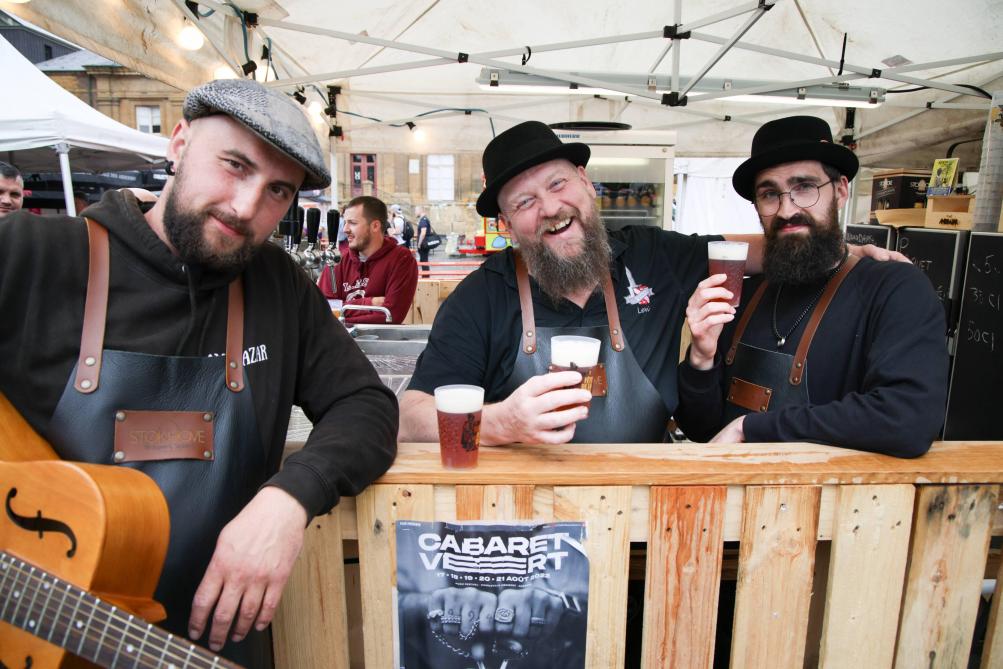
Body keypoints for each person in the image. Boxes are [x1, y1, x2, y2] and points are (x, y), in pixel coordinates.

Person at [0, 78, 398, 667]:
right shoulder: (31, 255)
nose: (246, 207)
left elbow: (366, 405)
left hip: (212, 646)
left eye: (277, 192)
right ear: (179, 143)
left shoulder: (277, 287)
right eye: (234, 165)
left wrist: (290, 497)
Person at [398, 121, 900, 446]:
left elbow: (760, 247)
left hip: (645, 519)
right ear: (505, 225)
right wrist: (499, 423)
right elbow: (409, 416)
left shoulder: (654, 256)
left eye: (557, 184)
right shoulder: (483, 296)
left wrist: (842, 247)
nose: (550, 208)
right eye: (524, 202)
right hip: (530, 532)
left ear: (585, 183)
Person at [674, 115, 947, 457]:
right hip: (739, 506)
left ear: (841, 189)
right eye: (770, 194)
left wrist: (751, 428)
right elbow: (704, 430)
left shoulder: (894, 290)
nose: (787, 209)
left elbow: (908, 419)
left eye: (804, 187)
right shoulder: (748, 295)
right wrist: (701, 357)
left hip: (842, 507)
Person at [317, 195, 418, 324]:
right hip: (338, 342)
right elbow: (322, 311)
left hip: (380, 343)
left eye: (352, 223)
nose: (345, 229)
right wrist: (370, 303)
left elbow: (391, 317)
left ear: (375, 226)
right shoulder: (337, 260)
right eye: (345, 222)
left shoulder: (402, 260)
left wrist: (341, 314)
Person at [416, 205, 433, 274]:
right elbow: (430, 231)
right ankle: (426, 275)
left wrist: (419, 244)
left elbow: (423, 233)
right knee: (424, 260)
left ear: (420, 210)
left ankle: (426, 276)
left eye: (416, 211)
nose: (415, 212)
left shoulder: (423, 220)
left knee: (424, 261)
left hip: (423, 244)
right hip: (425, 243)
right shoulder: (425, 219)